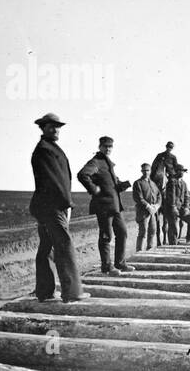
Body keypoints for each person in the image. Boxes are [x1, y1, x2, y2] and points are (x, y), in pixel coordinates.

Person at [28, 113, 88, 303]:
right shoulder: (45, 150)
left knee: (47, 247)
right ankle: (72, 292)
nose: (56, 130)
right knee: (64, 244)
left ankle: (44, 292)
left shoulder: (48, 148)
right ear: (43, 128)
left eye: (58, 126)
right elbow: (55, 182)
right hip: (52, 205)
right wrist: (66, 204)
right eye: (51, 126)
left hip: (48, 205)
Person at [77, 136, 133, 276]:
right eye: (105, 146)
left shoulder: (108, 164)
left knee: (122, 233)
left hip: (115, 207)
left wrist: (122, 185)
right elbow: (82, 175)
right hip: (103, 207)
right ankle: (107, 267)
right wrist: (94, 189)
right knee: (106, 236)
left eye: (110, 147)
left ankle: (120, 263)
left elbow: (111, 185)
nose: (108, 149)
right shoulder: (96, 162)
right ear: (100, 147)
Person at [132, 162, 162, 251]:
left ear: (150, 171)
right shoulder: (138, 183)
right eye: (144, 170)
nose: (146, 172)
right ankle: (139, 251)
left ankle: (150, 249)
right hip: (143, 212)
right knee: (143, 232)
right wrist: (148, 206)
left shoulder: (153, 183)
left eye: (147, 170)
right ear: (141, 171)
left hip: (153, 212)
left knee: (152, 231)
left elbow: (159, 195)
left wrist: (156, 206)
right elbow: (138, 198)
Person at [163, 165, 190, 244]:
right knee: (173, 226)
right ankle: (173, 242)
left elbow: (185, 196)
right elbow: (171, 197)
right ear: (176, 171)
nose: (182, 173)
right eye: (179, 171)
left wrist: (186, 207)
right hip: (171, 208)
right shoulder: (171, 182)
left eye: (183, 171)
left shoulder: (184, 183)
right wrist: (173, 207)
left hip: (181, 208)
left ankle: (189, 238)